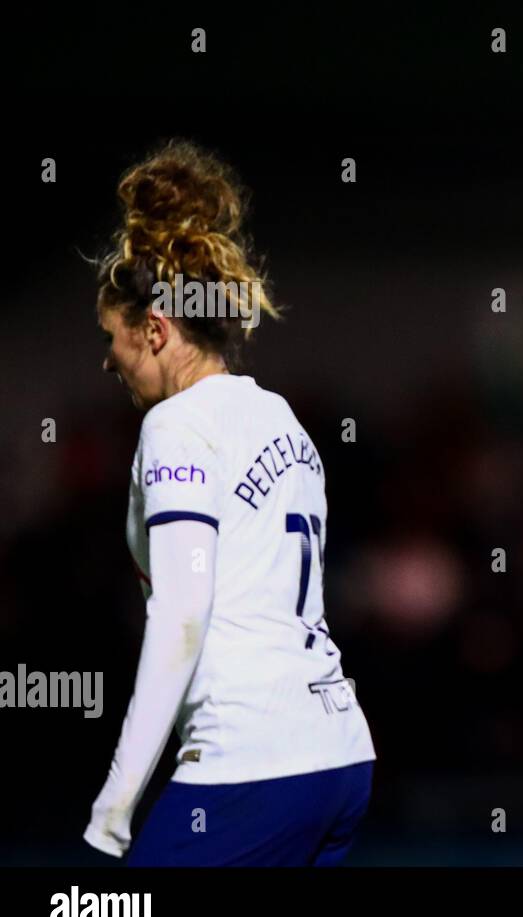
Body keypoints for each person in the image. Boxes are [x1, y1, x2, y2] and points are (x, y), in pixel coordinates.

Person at [84, 140, 376, 865]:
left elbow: (182, 613)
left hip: (254, 763)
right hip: (340, 758)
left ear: (155, 330)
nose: (107, 360)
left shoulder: (177, 425)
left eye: (112, 339)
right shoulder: (284, 422)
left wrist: (119, 801)